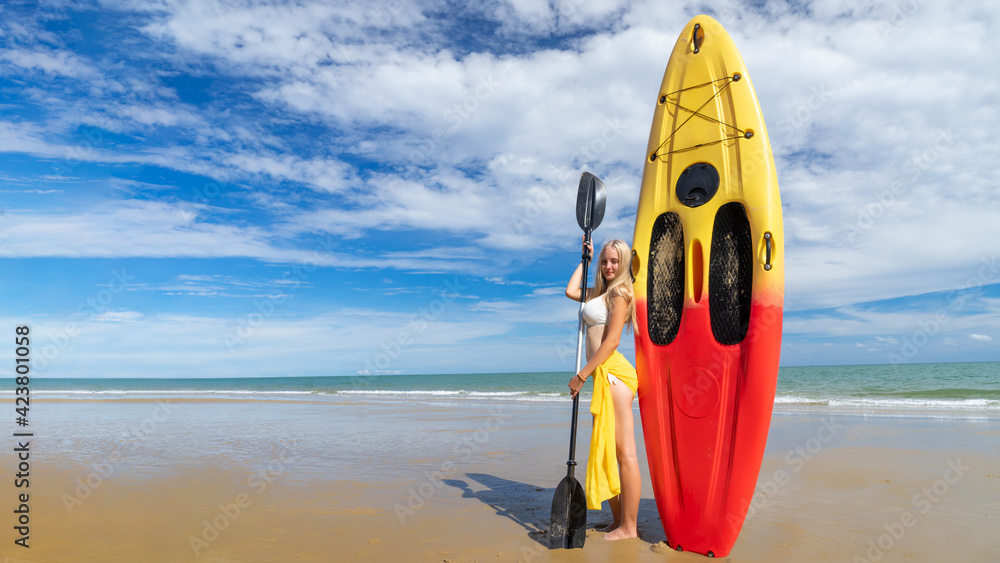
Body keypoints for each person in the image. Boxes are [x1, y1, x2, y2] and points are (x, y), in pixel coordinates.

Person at [565, 236, 641, 541]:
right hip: (602, 377)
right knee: (608, 450)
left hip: (614, 376)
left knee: (625, 453)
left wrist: (582, 375)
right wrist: (585, 258)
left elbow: (612, 341)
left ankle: (630, 527)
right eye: (605, 261)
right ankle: (618, 520)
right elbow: (571, 291)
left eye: (615, 261)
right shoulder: (601, 292)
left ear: (623, 263)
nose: (609, 266)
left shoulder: (620, 292)